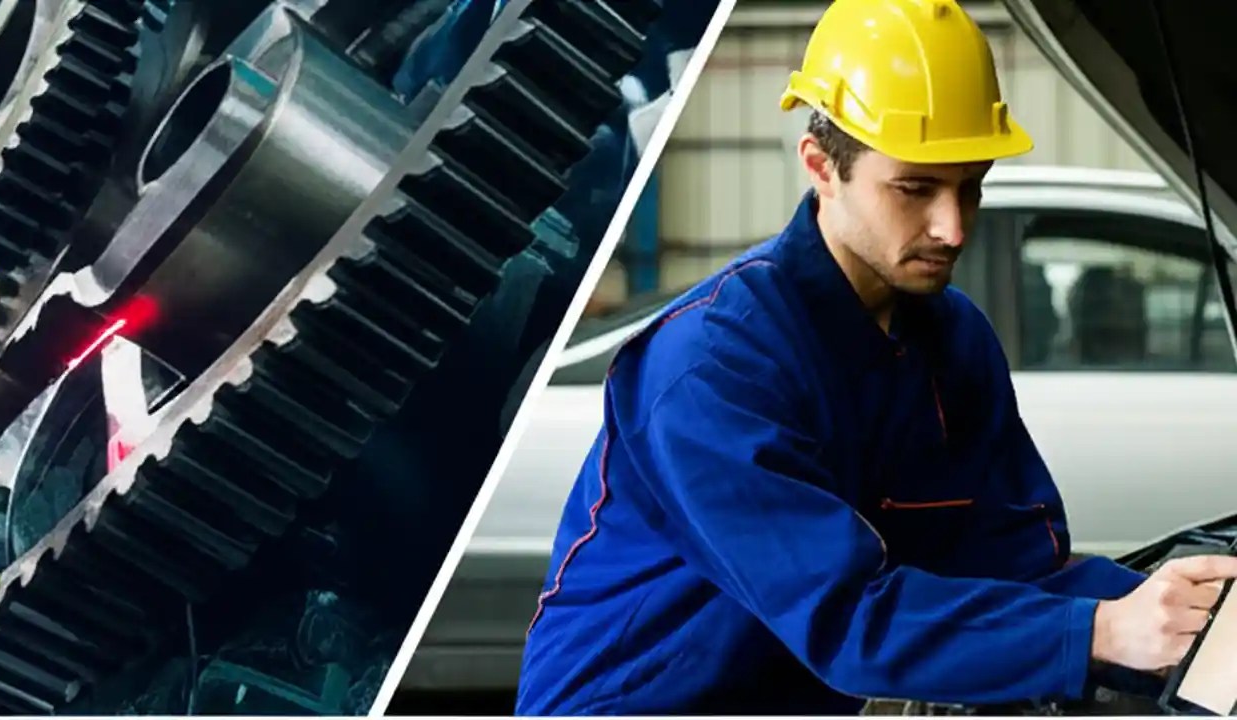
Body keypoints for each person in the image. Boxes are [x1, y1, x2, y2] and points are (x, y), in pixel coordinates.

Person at [514, 0, 1237, 714]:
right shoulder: (713, 366)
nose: (953, 229)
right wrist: (1106, 633)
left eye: (971, 187)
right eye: (915, 189)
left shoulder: (955, 343)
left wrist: (1189, 618)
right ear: (821, 166)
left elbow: (1017, 570)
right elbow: (845, 617)